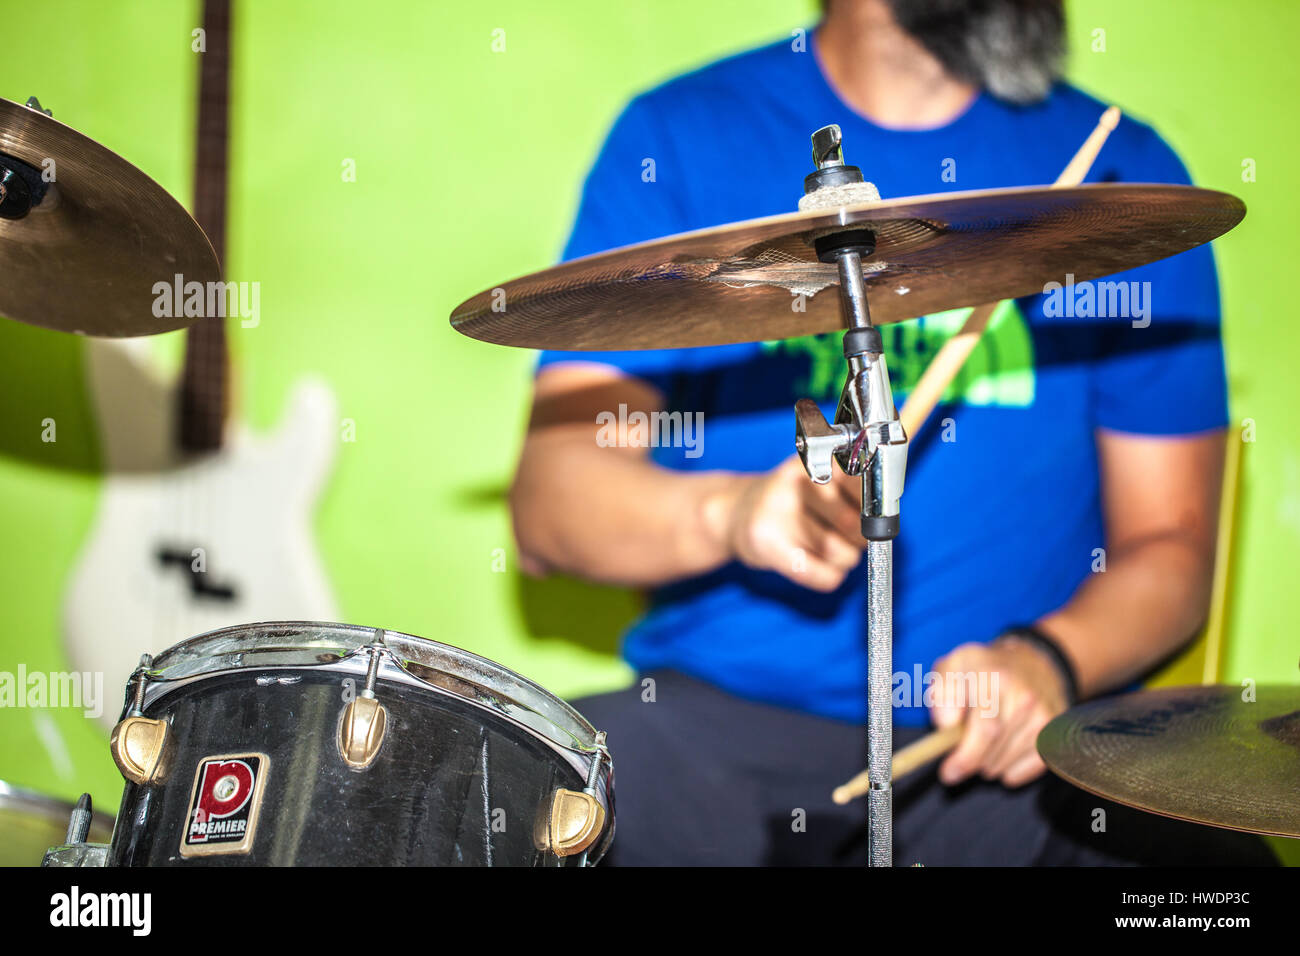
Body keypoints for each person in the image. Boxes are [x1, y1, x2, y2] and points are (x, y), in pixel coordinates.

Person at [510, 0, 1274, 865]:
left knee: (1209, 881)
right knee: (516, 806)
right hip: (710, 731)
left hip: (1002, 748)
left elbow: (1173, 550)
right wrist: (735, 516)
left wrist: (1052, 660)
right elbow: (548, 511)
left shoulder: (1119, 179)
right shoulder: (677, 139)